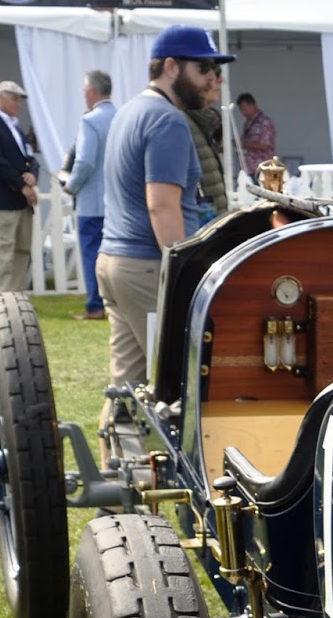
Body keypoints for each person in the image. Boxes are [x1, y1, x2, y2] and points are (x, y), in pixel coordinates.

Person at [97, 25, 234, 415]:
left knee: (128, 382)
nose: (213, 77)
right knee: (176, 384)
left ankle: (116, 468)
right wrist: (185, 277)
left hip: (116, 262)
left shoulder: (130, 111)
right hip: (147, 268)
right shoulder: (167, 120)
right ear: (171, 66)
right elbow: (162, 206)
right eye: (204, 66)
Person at [60, 70, 115, 320]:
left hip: (92, 203)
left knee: (92, 254)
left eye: (84, 91)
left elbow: (84, 162)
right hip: (117, 202)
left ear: (91, 92)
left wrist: (70, 186)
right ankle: (113, 303)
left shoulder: (90, 121)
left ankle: (95, 305)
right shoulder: (122, 116)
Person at [0, 80, 40, 292]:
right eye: (14, 98)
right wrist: (21, 184)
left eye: (19, 99)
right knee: (4, 250)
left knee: (22, 250)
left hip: (22, 202)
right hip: (3, 200)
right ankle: (2, 299)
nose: (18, 104)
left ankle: (15, 296)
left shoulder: (17, 128)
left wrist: (32, 175)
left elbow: (31, 158)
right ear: (0, 97)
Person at [187, 72, 230, 224]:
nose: (220, 80)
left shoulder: (202, 122)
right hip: (201, 225)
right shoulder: (182, 122)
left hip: (213, 222)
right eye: (212, 73)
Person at [236, 93, 276, 176]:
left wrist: (244, 144)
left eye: (244, 109)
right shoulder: (248, 122)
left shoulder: (265, 122)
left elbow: (265, 145)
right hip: (248, 168)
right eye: (241, 110)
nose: (243, 113)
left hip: (262, 169)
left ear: (253, 105)